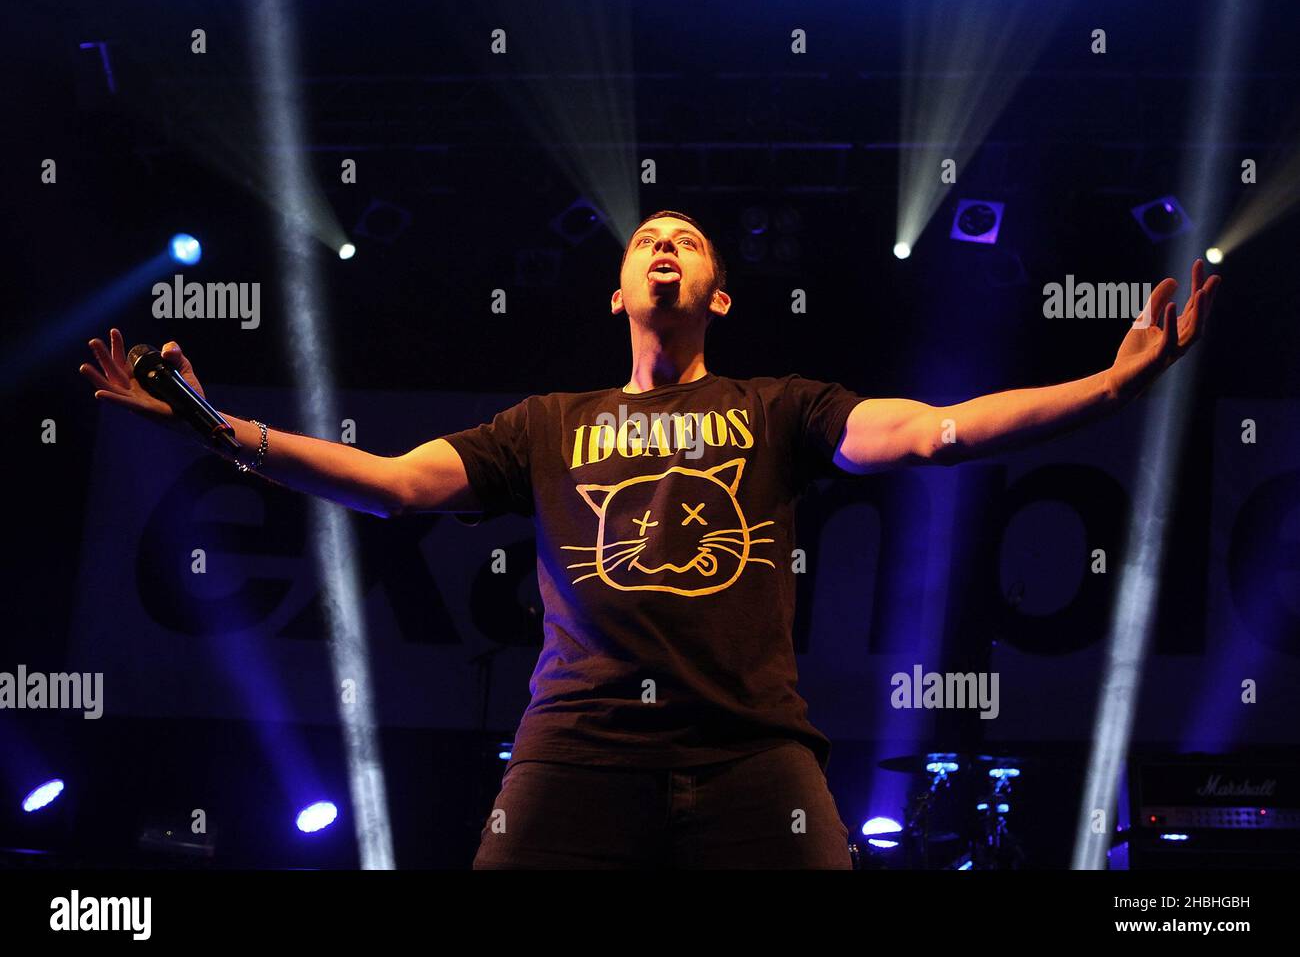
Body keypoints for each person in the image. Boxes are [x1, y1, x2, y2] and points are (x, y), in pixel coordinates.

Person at [81, 209, 1219, 869]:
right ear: (618, 290)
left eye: (688, 241)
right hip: (574, 744)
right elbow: (395, 485)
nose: (665, 244)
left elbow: (933, 435)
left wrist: (1108, 393)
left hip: (750, 750)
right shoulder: (547, 423)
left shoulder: (782, 404)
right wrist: (222, 430)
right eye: (646, 240)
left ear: (718, 294)